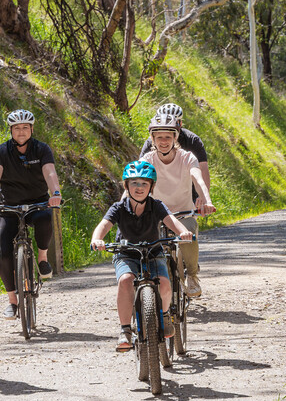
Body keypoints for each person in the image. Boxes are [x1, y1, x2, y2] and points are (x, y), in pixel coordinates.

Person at [89, 160, 195, 353]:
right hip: (126, 254)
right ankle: (125, 330)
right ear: (126, 186)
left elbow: (171, 221)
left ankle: (164, 316)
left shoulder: (156, 206)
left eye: (144, 183)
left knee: (164, 283)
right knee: (125, 280)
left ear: (151, 187)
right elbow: (104, 225)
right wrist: (97, 239)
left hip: (153, 252)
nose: (139, 187)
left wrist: (183, 232)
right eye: (134, 183)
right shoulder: (118, 208)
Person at [0, 109, 62, 318]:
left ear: (32, 129)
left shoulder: (41, 149)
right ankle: (12, 302)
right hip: (9, 206)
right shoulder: (1, 151)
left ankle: (42, 258)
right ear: (11, 130)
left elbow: (50, 172)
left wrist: (55, 193)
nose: (21, 131)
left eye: (25, 128)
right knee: (4, 253)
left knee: (45, 218)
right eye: (17, 128)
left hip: (37, 203)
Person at [139, 114, 213, 297]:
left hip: (183, 213)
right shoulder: (147, 160)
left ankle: (192, 276)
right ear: (153, 139)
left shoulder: (187, 158)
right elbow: (135, 185)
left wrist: (206, 200)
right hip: (157, 214)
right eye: (159, 137)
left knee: (188, 233)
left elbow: (198, 179)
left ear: (175, 138)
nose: (163, 141)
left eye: (168, 136)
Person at [153, 101, 211, 179]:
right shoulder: (152, 141)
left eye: (174, 123)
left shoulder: (193, 141)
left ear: (180, 123)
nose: (169, 127)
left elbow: (203, 169)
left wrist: (203, 187)